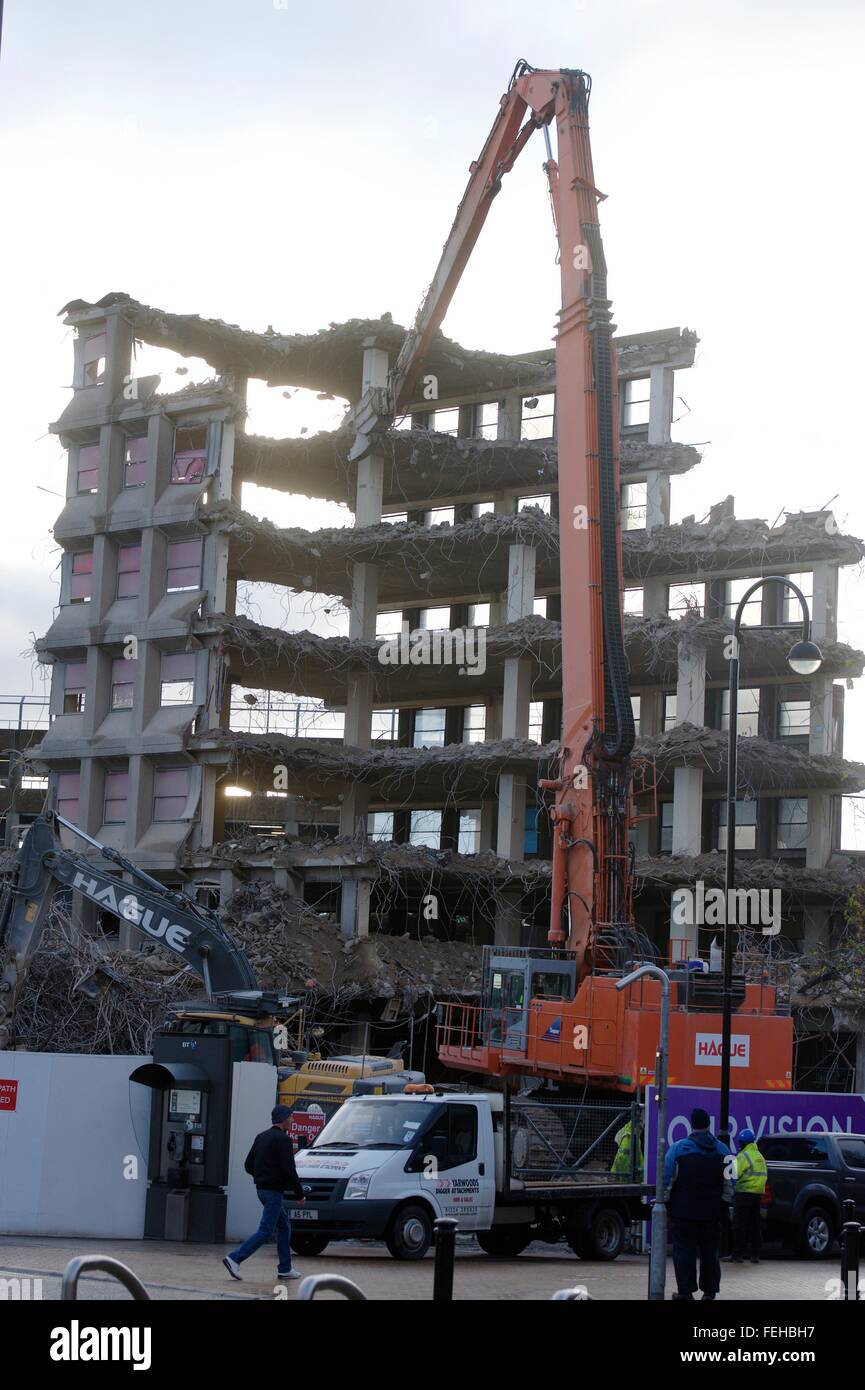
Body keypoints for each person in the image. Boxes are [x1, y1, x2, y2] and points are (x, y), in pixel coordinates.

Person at [223, 1104, 306, 1282]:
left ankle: (285, 1269)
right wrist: (299, 1194)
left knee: (284, 1226)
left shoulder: (261, 1137)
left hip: (262, 1190)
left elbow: (248, 1165)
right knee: (266, 1231)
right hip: (274, 1193)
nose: (292, 1120)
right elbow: (289, 1170)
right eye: (291, 1117)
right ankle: (234, 1258)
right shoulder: (283, 1140)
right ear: (284, 1118)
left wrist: (262, 1176)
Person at [663, 1107, 732, 1301]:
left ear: (691, 1124)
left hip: (683, 1213)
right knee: (710, 1253)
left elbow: (667, 1180)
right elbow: (730, 1183)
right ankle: (709, 1293)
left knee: (684, 1251)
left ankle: (685, 1292)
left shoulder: (678, 1149)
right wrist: (723, 1205)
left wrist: (667, 1204)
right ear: (708, 1124)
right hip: (711, 1213)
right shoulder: (723, 1150)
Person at [731, 1128, 767, 1264]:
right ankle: (755, 1255)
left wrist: (734, 1187)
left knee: (739, 1225)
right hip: (757, 1195)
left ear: (743, 1143)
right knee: (755, 1225)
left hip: (743, 1192)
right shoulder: (760, 1156)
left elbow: (733, 1175)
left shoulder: (743, 1156)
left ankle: (737, 1255)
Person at [610, 1115, 643, 1180]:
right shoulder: (629, 1135)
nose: (641, 1131)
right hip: (625, 1162)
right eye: (640, 1129)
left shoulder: (632, 1136)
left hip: (623, 1162)